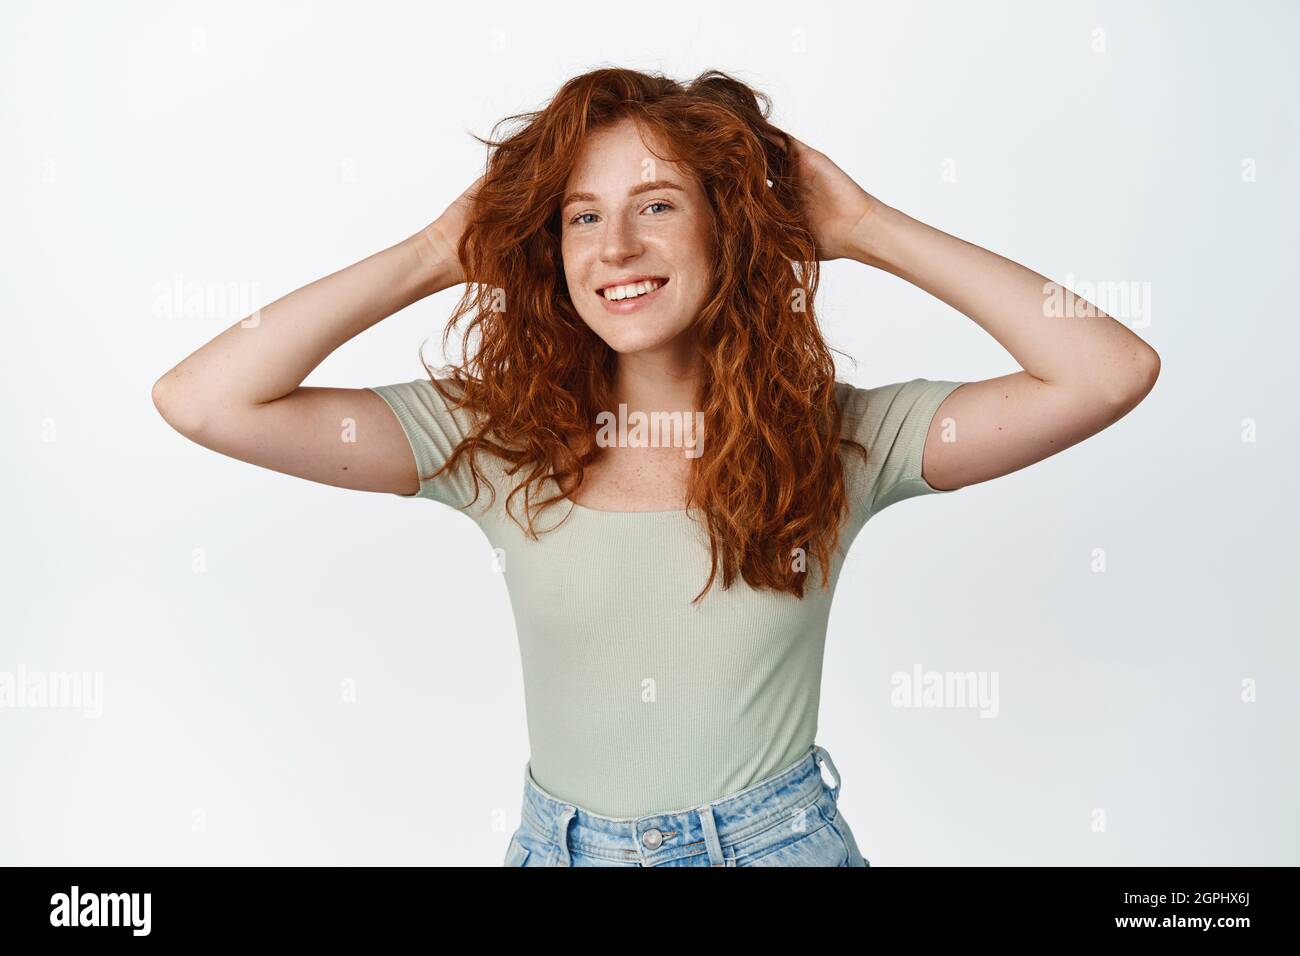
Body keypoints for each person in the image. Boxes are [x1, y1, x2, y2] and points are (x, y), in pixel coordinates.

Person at [152, 68, 1159, 867]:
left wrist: (864, 228)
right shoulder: (493, 438)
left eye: (658, 205)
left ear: (727, 225)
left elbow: (1107, 370)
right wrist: (429, 251)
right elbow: (204, 399)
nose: (616, 245)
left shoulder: (841, 437)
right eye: (581, 214)